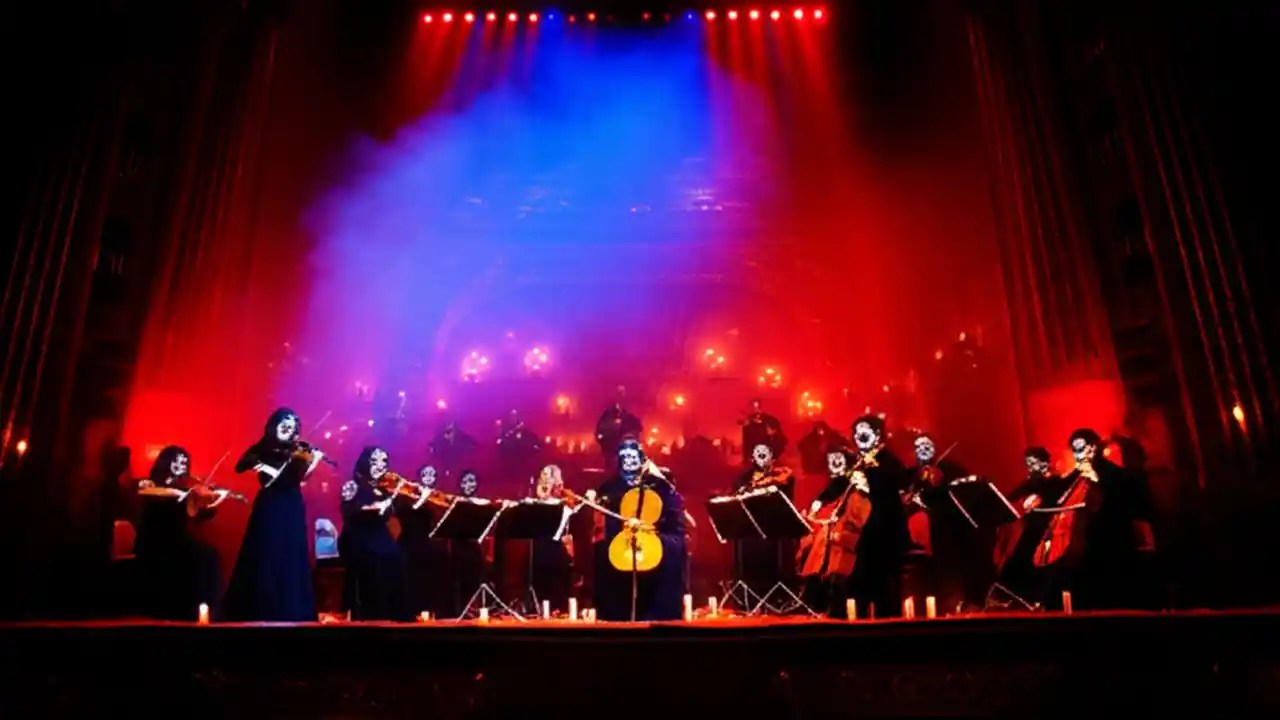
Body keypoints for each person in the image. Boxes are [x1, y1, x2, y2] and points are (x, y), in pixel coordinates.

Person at [221, 408, 320, 621]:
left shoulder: (297, 452)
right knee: (267, 553)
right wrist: (263, 466)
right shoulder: (263, 448)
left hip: (292, 505)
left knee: (291, 556)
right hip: (270, 505)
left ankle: (291, 610)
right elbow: (241, 465)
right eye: (284, 424)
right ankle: (261, 608)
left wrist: (314, 462)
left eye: (293, 427)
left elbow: (301, 480)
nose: (288, 428)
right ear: (274, 425)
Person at [590, 437, 687, 621]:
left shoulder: (660, 485)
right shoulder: (609, 488)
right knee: (602, 552)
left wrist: (652, 530)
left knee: (673, 551)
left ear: (642, 458)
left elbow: (675, 520)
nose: (628, 460)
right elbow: (602, 525)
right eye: (624, 455)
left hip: (654, 541)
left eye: (633, 455)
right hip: (622, 543)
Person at [134, 446, 224, 619]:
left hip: (176, 539)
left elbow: (198, 514)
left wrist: (208, 501)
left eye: (185, 461)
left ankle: (205, 611)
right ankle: (180, 610)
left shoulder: (184, 488)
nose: (182, 464)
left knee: (209, 555)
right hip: (155, 539)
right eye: (178, 460)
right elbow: (151, 504)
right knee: (197, 556)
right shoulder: (152, 483)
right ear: (166, 462)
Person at [990, 446, 1070, 608]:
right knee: (1017, 566)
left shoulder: (1055, 482)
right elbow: (1008, 501)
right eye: (1029, 463)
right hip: (1030, 532)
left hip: (1047, 533)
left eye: (1035, 462)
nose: (1032, 467)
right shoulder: (1029, 484)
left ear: (1045, 463)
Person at [339, 446, 405, 620]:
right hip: (358, 536)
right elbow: (349, 513)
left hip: (379, 536)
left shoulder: (387, 489)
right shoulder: (352, 485)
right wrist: (374, 508)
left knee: (396, 556)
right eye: (374, 461)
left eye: (384, 461)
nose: (380, 465)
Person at [731, 438, 796, 595]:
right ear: (752, 456)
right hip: (750, 530)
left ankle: (776, 596)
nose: (761, 454)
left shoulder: (784, 477)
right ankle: (749, 595)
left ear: (772, 457)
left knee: (774, 563)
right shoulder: (743, 479)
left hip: (773, 530)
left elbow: (786, 500)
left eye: (764, 451)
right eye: (757, 451)